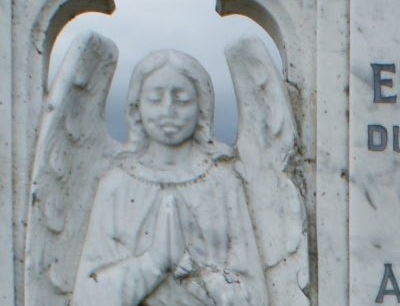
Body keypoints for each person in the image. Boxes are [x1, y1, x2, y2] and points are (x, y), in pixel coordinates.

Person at [72, 50, 269, 306]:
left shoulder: (223, 182)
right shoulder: (117, 185)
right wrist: (154, 262)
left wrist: (192, 271)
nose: (168, 110)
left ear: (202, 107)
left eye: (182, 99)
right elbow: (88, 296)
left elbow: (254, 296)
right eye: (155, 99)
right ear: (137, 107)